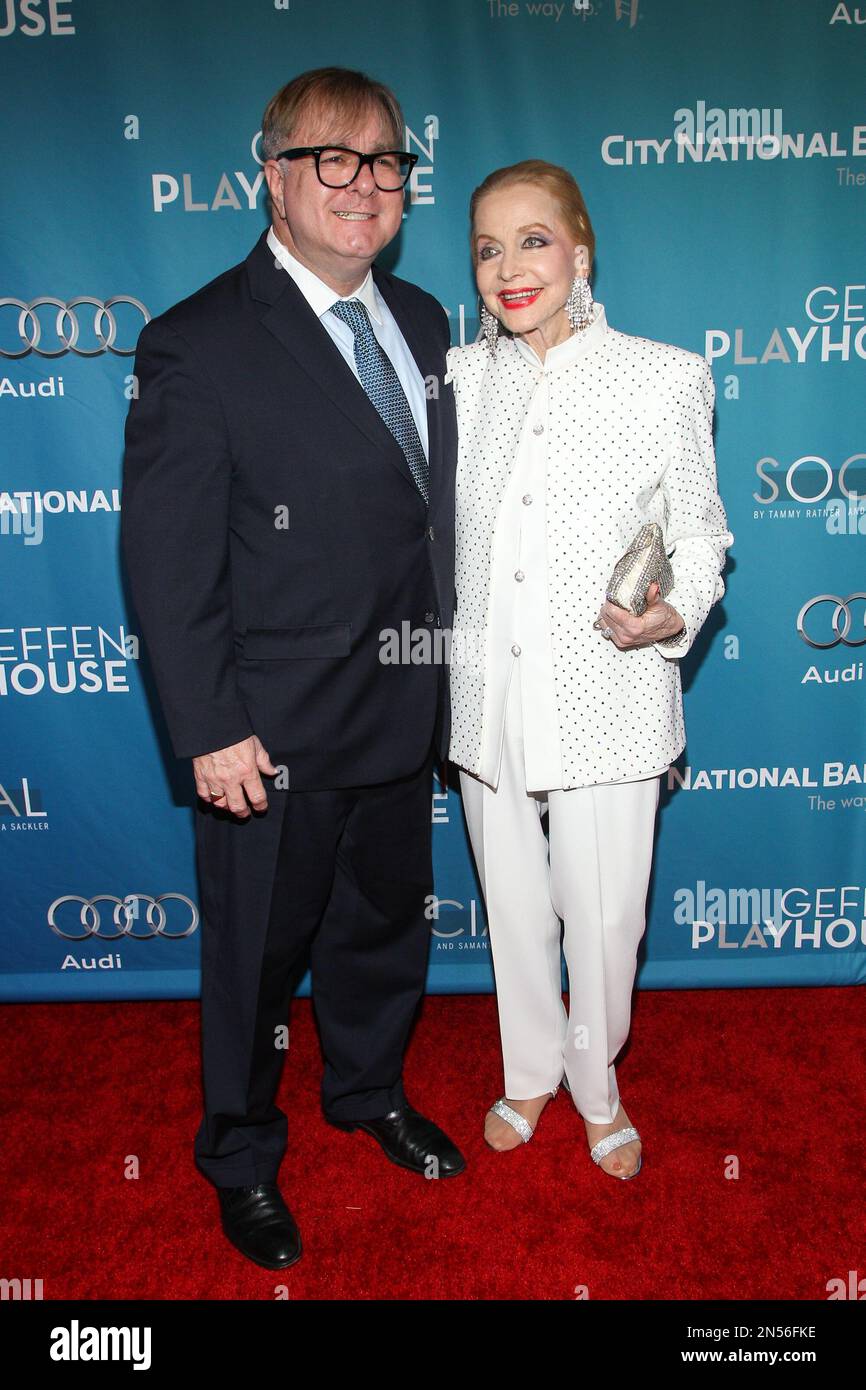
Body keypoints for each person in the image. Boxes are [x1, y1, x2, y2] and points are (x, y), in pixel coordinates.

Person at [121, 66, 463, 1271]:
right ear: (271, 171)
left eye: (384, 162)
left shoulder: (423, 320)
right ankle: (241, 1155)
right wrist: (210, 725)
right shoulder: (198, 340)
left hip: (404, 705)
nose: (362, 185)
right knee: (256, 959)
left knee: (382, 935)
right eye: (333, 158)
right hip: (266, 732)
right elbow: (166, 563)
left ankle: (367, 1093)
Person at [445, 160, 733, 1179]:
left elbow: (697, 538)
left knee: (605, 915)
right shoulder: (459, 378)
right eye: (486, 247)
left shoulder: (662, 373)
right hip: (485, 694)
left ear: (579, 249)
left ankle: (594, 1083)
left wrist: (670, 611)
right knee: (512, 900)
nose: (508, 266)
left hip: (608, 691)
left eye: (531, 240)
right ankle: (527, 1069)